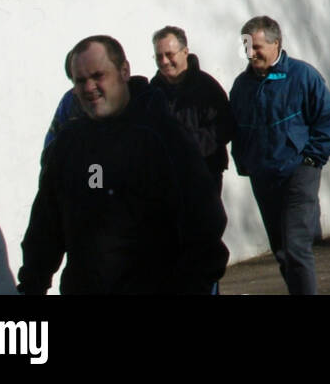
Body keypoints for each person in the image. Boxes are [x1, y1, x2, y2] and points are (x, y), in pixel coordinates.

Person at [18, 35, 229, 295]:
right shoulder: (68, 144)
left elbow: (204, 220)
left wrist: (194, 283)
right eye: (80, 80)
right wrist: (32, 283)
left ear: (124, 71)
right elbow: (46, 223)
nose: (89, 87)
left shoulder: (163, 136)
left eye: (98, 75)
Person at [229, 15, 330, 295]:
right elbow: (235, 128)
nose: (251, 53)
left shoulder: (302, 76)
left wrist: (310, 159)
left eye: (257, 47)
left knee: (296, 248)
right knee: (281, 250)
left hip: (298, 173)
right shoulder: (242, 85)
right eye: (246, 47)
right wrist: (244, 161)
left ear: (276, 43)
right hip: (263, 175)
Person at [149, 25, 235, 195]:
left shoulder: (206, 87)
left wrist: (187, 147)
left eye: (169, 55)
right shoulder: (153, 92)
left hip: (205, 173)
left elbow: (225, 127)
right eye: (159, 56)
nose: (164, 61)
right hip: (167, 178)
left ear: (185, 52)